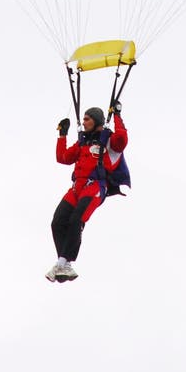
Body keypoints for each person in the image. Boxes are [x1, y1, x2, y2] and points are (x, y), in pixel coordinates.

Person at [45, 102, 128, 283]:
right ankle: (63, 263)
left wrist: (117, 115)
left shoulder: (109, 141)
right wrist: (62, 135)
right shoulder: (83, 142)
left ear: (97, 120)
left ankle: (63, 262)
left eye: (87, 119)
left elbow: (122, 140)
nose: (84, 122)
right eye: (83, 118)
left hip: (96, 186)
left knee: (76, 219)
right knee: (57, 222)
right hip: (77, 188)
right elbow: (63, 158)